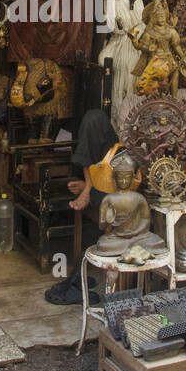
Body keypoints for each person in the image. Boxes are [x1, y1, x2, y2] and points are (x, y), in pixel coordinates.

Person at [44, 109, 119, 304]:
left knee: (95, 121)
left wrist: (88, 191)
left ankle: (89, 189)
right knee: (93, 120)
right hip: (107, 180)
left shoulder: (120, 151)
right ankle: (90, 187)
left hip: (119, 192)